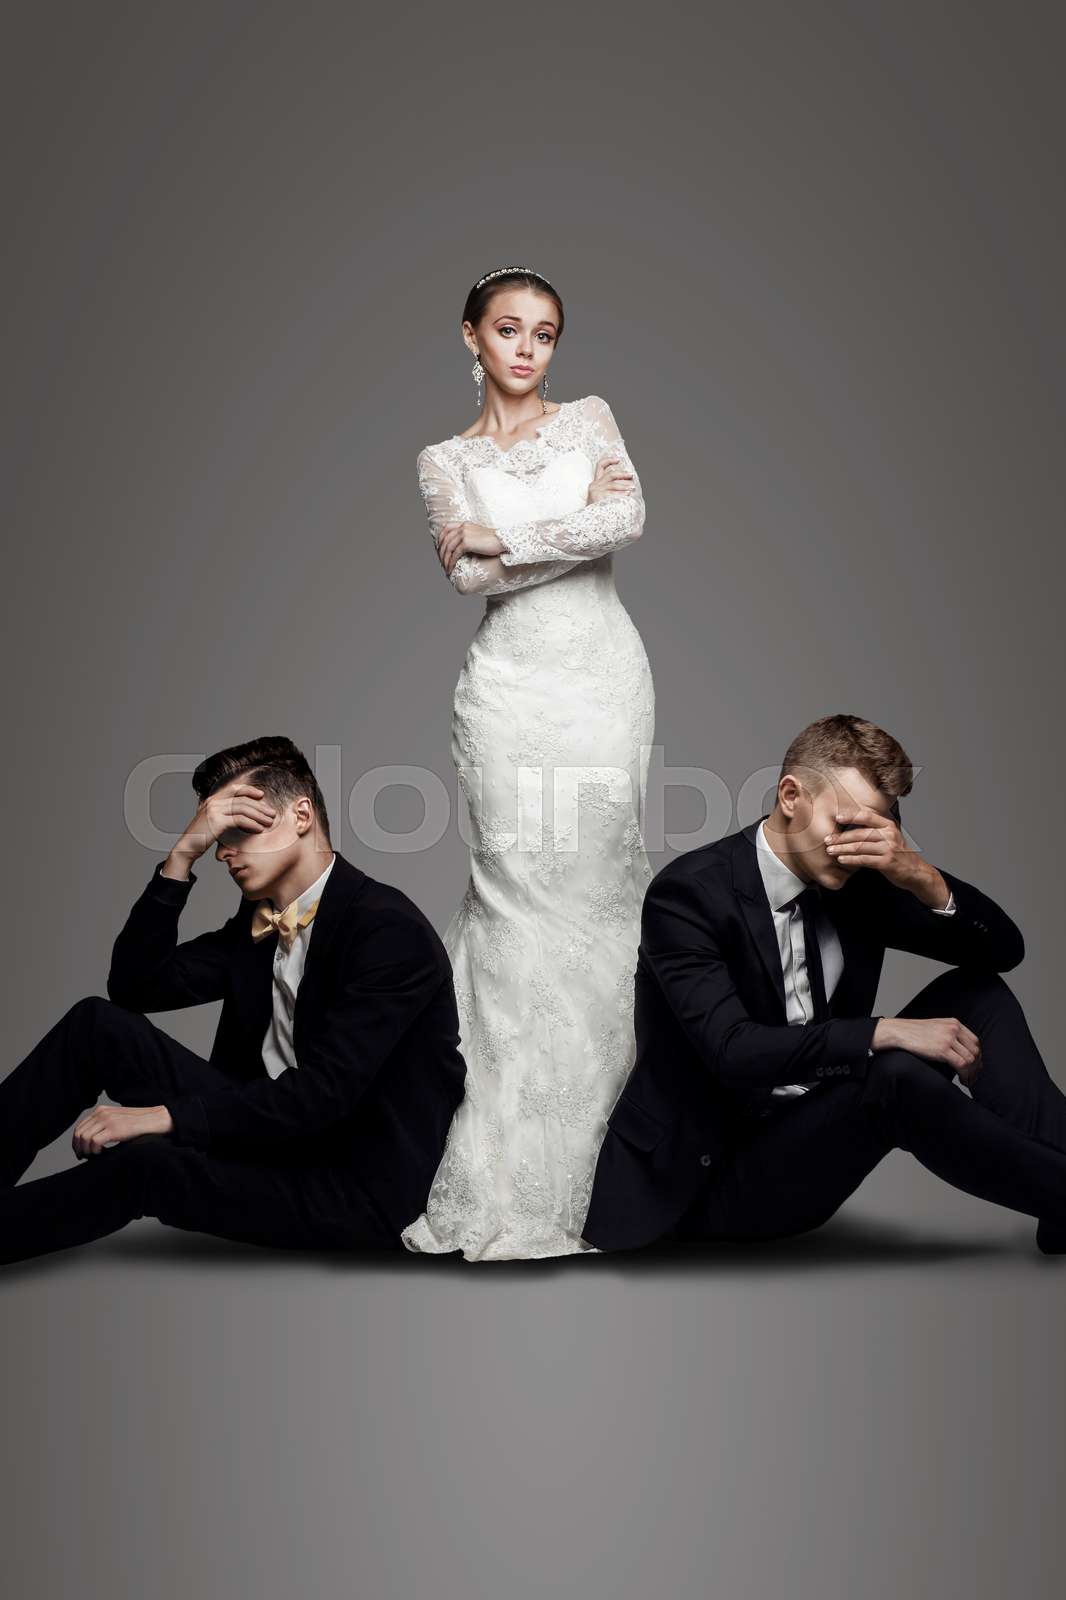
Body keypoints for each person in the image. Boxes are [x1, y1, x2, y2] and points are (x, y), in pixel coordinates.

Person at [581, 713, 1066, 1256]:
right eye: (844, 825)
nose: (854, 847)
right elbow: (732, 1051)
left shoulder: (859, 882)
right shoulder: (690, 896)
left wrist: (922, 877)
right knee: (896, 1074)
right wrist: (882, 1031)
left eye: (876, 829)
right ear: (791, 796)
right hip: (715, 1175)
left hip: (818, 1130)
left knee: (978, 996)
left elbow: (1002, 953)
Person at [401, 266, 656, 1260]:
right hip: (506, 691)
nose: (525, 348)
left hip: (599, 680)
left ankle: (614, 1161)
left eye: (543, 334)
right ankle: (488, 1161)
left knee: (595, 890)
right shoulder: (440, 459)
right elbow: (465, 576)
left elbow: (625, 521)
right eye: (506, 329)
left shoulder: (590, 419)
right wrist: (535, 539)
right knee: (512, 898)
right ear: (470, 336)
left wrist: (501, 532)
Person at [0, 736, 467, 1266]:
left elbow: (322, 1097)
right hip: (269, 1136)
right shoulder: (257, 926)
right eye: (217, 834)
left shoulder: (387, 929)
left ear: (301, 814)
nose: (224, 850)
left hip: (352, 1183)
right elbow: (134, 988)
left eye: (239, 830)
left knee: (144, 1164)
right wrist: (182, 855)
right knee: (95, 1027)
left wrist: (162, 1117)